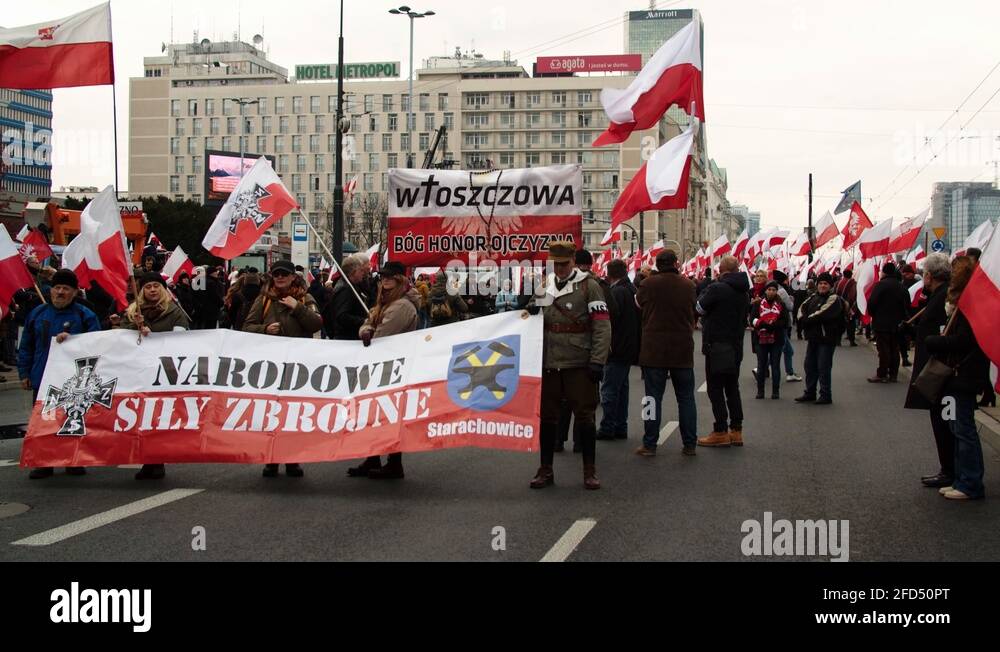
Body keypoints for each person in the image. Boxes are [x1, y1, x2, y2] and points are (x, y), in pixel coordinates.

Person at [528, 241, 611, 489]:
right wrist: (530, 309)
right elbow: (533, 318)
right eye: (556, 264)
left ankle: (589, 470)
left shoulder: (589, 286)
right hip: (550, 362)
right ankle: (545, 470)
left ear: (573, 261)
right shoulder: (545, 285)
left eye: (564, 264)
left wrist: (597, 360)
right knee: (548, 418)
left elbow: (602, 326)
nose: (560, 268)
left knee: (585, 417)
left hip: (579, 362)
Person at [17, 269, 102, 479]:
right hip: (42, 377)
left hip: (74, 380)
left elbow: (97, 343)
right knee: (45, 420)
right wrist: (24, 373)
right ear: (51, 290)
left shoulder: (85, 314)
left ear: (74, 292)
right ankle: (44, 462)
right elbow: (26, 345)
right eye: (57, 288)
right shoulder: (37, 313)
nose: (60, 292)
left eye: (66, 288)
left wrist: (73, 339)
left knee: (73, 419)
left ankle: (73, 460)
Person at [243, 259, 324, 478]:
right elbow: (247, 327)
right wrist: (264, 329)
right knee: (271, 413)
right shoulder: (263, 300)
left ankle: (291, 458)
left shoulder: (305, 299)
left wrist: (297, 308)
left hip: (297, 366)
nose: (280, 278)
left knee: (293, 414)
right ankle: (271, 459)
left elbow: (317, 323)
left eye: (284, 274)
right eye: (276, 274)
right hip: (270, 367)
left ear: (293, 277)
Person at [924, 256, 991, 500]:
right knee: (957, 426)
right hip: (961, 374)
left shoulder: (970, 305)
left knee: (963, 429)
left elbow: (964, 341)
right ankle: (963, 478)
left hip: (964, 373)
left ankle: (970, 483)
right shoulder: (966, 303)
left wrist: (936, 342)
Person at [117, 272, 190, 480]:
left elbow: (180, 341)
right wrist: (135, 327)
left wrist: (153, 337)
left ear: (163, 289)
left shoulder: (175, 313)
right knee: (140, 417)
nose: (152, 290)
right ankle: (147, 459)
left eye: (156, 286)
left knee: (156, 418)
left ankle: (156, 461)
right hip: (138, 372)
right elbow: (121, 338)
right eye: (147, 286)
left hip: (163, 374)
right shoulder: (132, 312)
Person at [353, 261, 421, 480]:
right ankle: (373, 457)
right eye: (383, 277)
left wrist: (370, 332)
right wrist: (365, 330)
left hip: (393, 366)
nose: (385, 280)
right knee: (375, 413)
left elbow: (382, 335)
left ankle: (394, 462)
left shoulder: (401, 305)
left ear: (400, 280)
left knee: (388, 414)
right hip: (383, 364)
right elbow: (368, 322)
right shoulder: (385, 301)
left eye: (390, 277)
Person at [634, 251, 697, 455]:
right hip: (682, 348)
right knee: (686, 398)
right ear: (676, 264)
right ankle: (689, 443)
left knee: (651, 398)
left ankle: (649, 443)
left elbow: (638, 304)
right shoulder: (688, 285)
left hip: (654, 349)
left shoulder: (648, 284)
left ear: (657, 265)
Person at [902, 253, 954, 488]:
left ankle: (950, 470)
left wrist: (926, 339)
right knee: (943, 420)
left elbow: (944, 334)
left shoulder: (945, 298)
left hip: (941, 372)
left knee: (945, 421)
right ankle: (950, 468)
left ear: (930, 275)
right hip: (937, 368)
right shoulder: (937, 295)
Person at [696, 255, 750, 447]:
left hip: (717, 345)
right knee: (732, 387)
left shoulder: (717, 288)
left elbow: (699, 308)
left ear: (722, 270)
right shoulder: (744, 291)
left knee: (715, 388)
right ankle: (736, 430)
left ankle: (720, 430)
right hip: (736, 346)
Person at [597, 258, 640, 441]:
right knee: (622, 389)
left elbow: (611, 319)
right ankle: (620, 425)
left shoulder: (616, 292)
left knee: (609, 390)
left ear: (609, 273)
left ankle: (608, 427)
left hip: (616, 346)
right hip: (629, 345)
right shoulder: (632, 290)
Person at [795, 273, 845, 405]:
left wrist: (806, 320)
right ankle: (810, 392)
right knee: (809, 366)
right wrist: (803, 319)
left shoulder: (834, 299)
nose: (823, 286)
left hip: (826, 339)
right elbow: (801, 309)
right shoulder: (813, 296)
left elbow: (822, 314)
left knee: (823, 367)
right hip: (813, 338)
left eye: (825, 284)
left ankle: (825, 394)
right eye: (821, 283)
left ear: (830, 286)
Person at [866, 262, 910, 383]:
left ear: (884, 272)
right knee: (895, 349)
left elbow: (872, 303)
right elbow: (908, 304)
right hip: (897, 323)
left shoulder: (880, 285)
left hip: (882, 323)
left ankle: (882, 373)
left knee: (884, 350)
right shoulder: (902, 286)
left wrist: (874, 315)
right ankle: (893, 374)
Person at [751, 281, 789, 400]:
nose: (771, 292)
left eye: (773, 290)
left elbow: (785, 321)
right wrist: (763, 324)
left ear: (776, 291)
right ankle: (760, 391)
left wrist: (773, 325)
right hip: (760, 339)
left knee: (775, 365)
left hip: (776, 339)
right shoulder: (758, 304)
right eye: (769, 289)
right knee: (761, 366)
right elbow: (752, 319)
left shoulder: (781, 304)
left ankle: (775, 391)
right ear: (765, 291)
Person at [322, 253, 371, 340]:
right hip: (347, 338)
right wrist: (364, 321)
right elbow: (342, 316)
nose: (363, 273)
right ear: (353, 272)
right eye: (360, 270)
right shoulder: (346, 289)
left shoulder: (352, 286)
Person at [771, 271, 802, 382]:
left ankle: (789, 372)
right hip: (781, 324)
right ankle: (760, 368)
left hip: (773, 323)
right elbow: (790, 307)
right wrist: (791, 300)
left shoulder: (770, 288)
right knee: (784, 350)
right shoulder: (782, 291)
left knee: (784, 349)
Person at [835, 269, 858, 346]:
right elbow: (853, 295)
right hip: (850, 306)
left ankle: (838, 340)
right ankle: (852, 340)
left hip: (839, 306)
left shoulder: (838, 283)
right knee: (851, 324)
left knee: (839, 323)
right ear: (851, 275)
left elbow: (835, 294)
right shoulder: (853, 283)